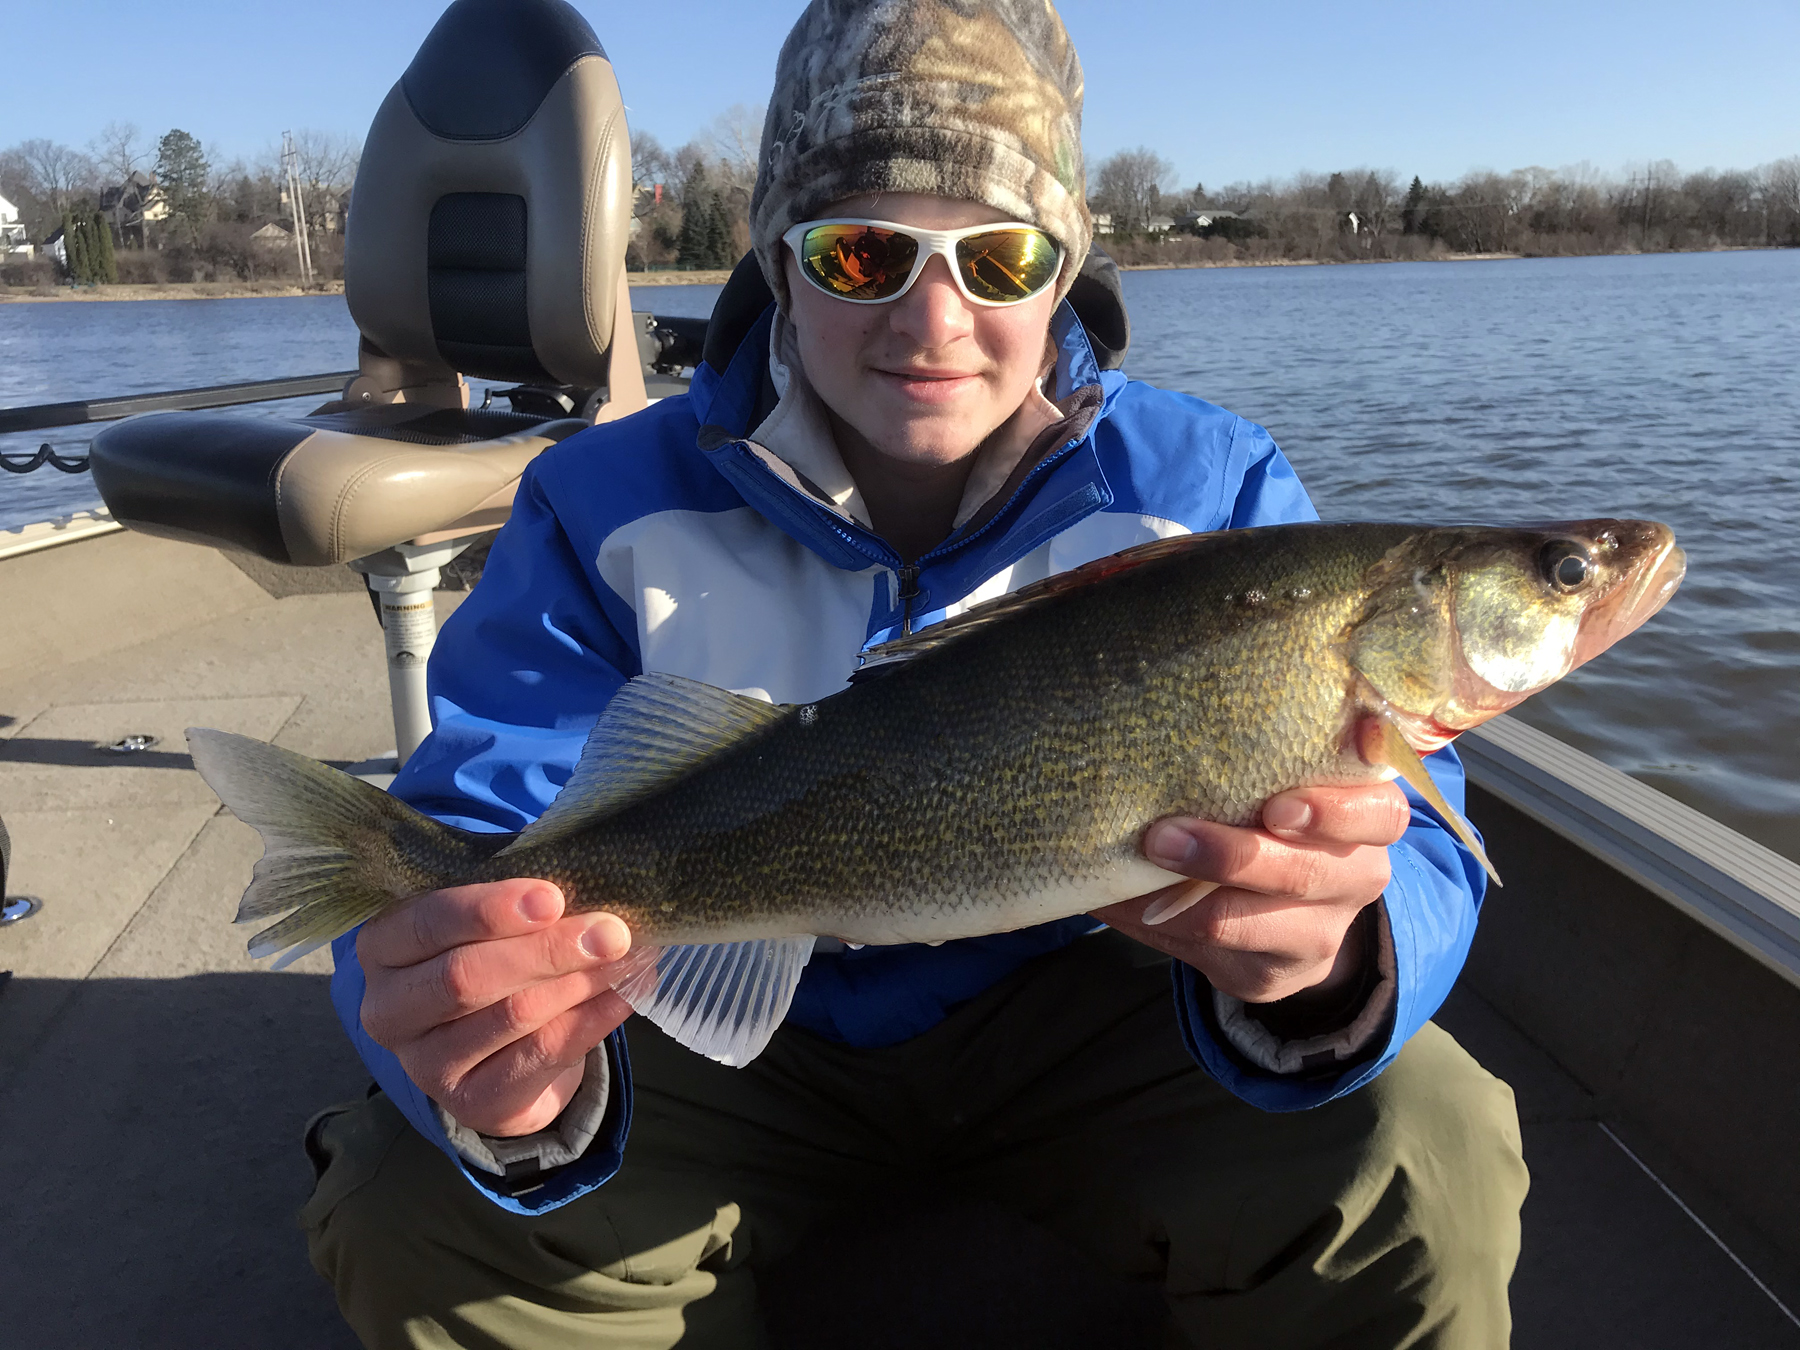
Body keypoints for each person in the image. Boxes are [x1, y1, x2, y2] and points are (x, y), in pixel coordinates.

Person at [301, 2, 1527, 1346]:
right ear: (778, 256)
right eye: (862, 251)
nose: (930, 318)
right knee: (408, 1202)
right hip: (725, 1019)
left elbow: (1414, 830)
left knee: (1426, 1147)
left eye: (998, 258)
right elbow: (492, 816)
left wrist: (1337, 949)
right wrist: (476, 1034)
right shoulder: (595, 503)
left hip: (1094, 1005)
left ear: (1063, 270)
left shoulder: (1212, 490)